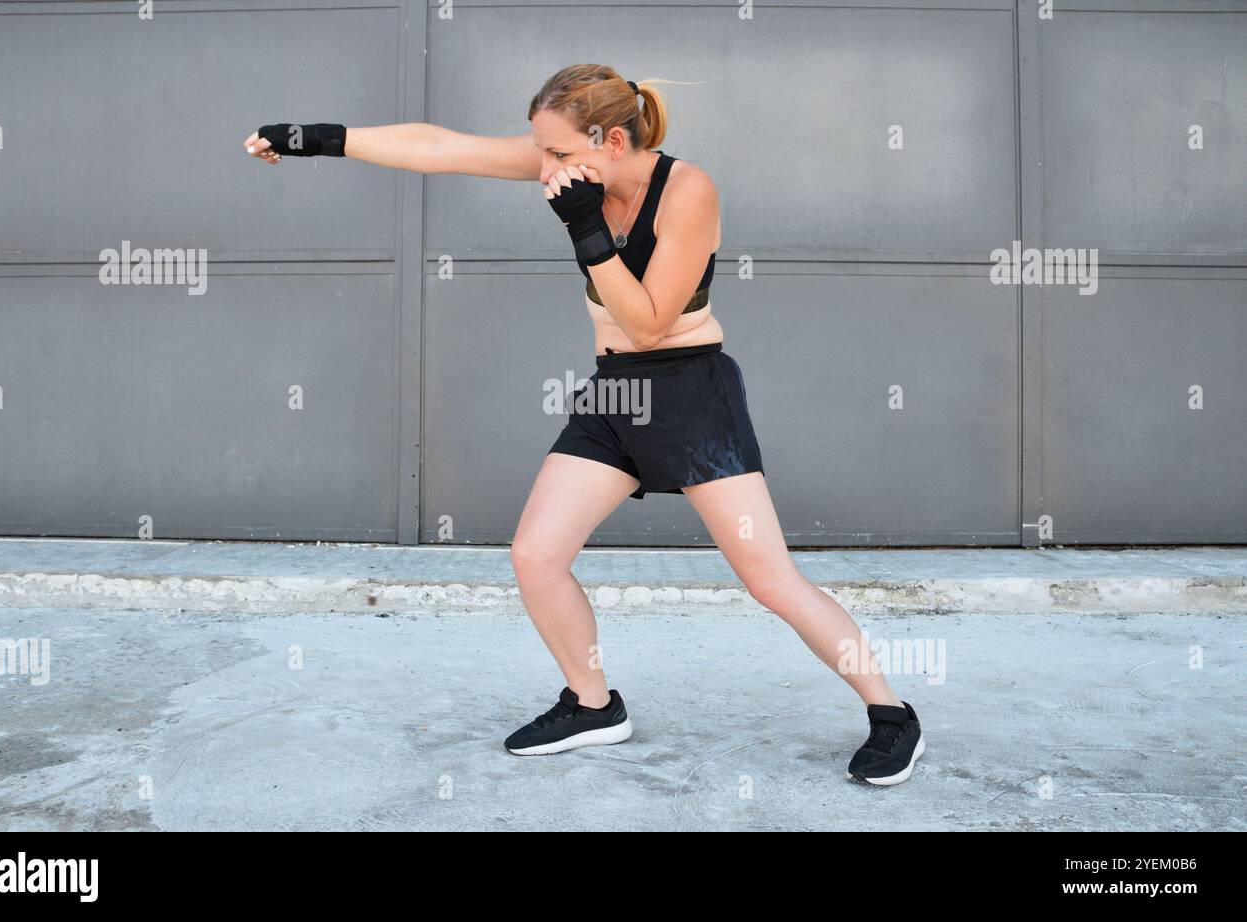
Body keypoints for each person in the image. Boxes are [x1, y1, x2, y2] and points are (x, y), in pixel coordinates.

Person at [243, 63, 925, 786]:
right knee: (536, 555)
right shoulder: (565, 161)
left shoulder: (687, 191)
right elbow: (442, 147)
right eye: (542, 153)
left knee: (771, 582)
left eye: (561, 154)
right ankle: (593, 702)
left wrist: (586, 229)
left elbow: (649, 319)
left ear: (614, 140)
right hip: (615, 399)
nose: (546, 170)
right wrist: (316, 139)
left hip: (692, 395)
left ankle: (891, 712)